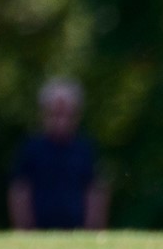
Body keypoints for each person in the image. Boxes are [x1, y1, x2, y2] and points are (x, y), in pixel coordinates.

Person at [9, 78, 109, 231]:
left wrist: (93, 231)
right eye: (55, 114)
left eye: (66, 114)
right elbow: (20, 191)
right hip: (38, 234)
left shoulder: (86, 149)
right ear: (44, 114)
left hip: (78, 233)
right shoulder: (31, 149)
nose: (61, 121)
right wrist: (24, 230)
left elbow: (95, 192)